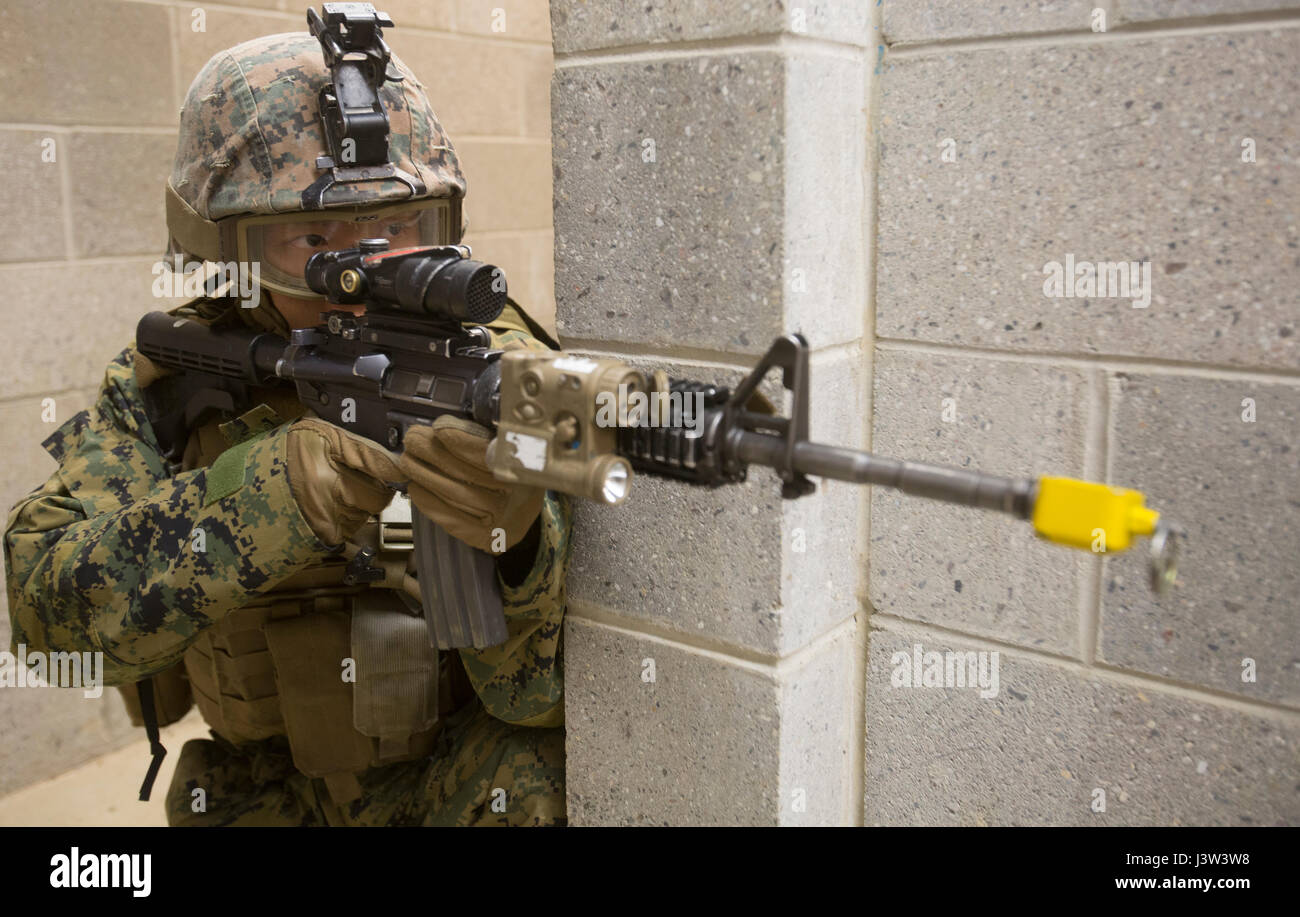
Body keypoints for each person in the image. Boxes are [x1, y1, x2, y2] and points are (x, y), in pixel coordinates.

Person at [3, 22, 572, 827]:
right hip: (265, 788)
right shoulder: (178, 379)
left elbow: (550, 697)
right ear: (226, 254)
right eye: (314, 241)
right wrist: (269, 498)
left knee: (540, 782)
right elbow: (48, 630)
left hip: (454, 775)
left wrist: (518, 547)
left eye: (401, 229)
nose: (365, 276)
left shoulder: (493, 364)